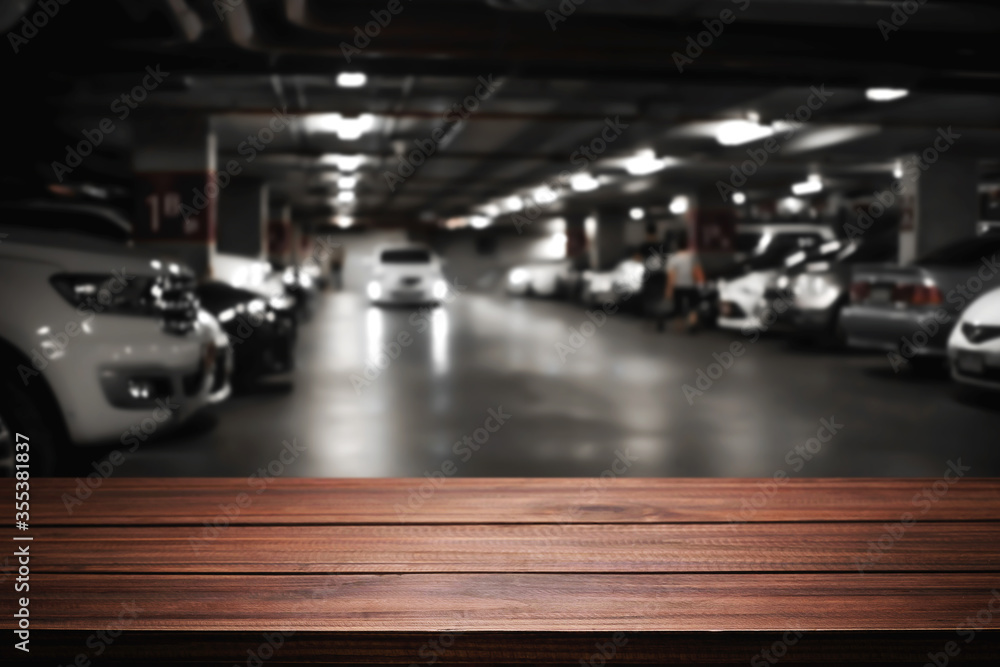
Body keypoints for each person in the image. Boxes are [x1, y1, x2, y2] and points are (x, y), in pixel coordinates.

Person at [664, 232, 705, 332]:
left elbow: (671, 276)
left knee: (677, 307)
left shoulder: (673, 258)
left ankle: (679, 327)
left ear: (677, 245)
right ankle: (692, 324)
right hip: (691, 286)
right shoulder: (693, 257)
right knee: (693, 306)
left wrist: (668, 290)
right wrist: (701, 285)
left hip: (678, 287)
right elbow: (697, 272)